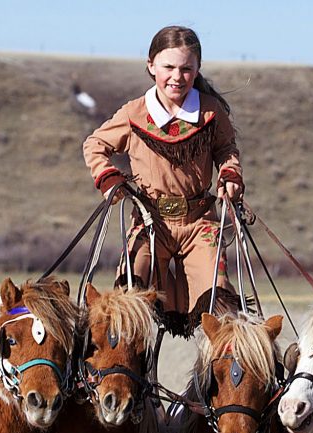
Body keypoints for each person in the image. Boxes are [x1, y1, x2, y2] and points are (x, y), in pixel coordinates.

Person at [83, 25, 243, 337]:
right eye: (168, 67)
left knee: (222, 305)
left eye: (186, 68)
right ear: (151, 66)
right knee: (130, 294)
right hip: (149, 221)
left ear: (197, 70)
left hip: (200, 222)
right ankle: (122, 377)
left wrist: (230, 174)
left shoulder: (210, 112)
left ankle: (221, 378)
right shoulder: (134, 113)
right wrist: (107, 177)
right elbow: (94, 145)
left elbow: (226, 150)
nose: (177, 76)